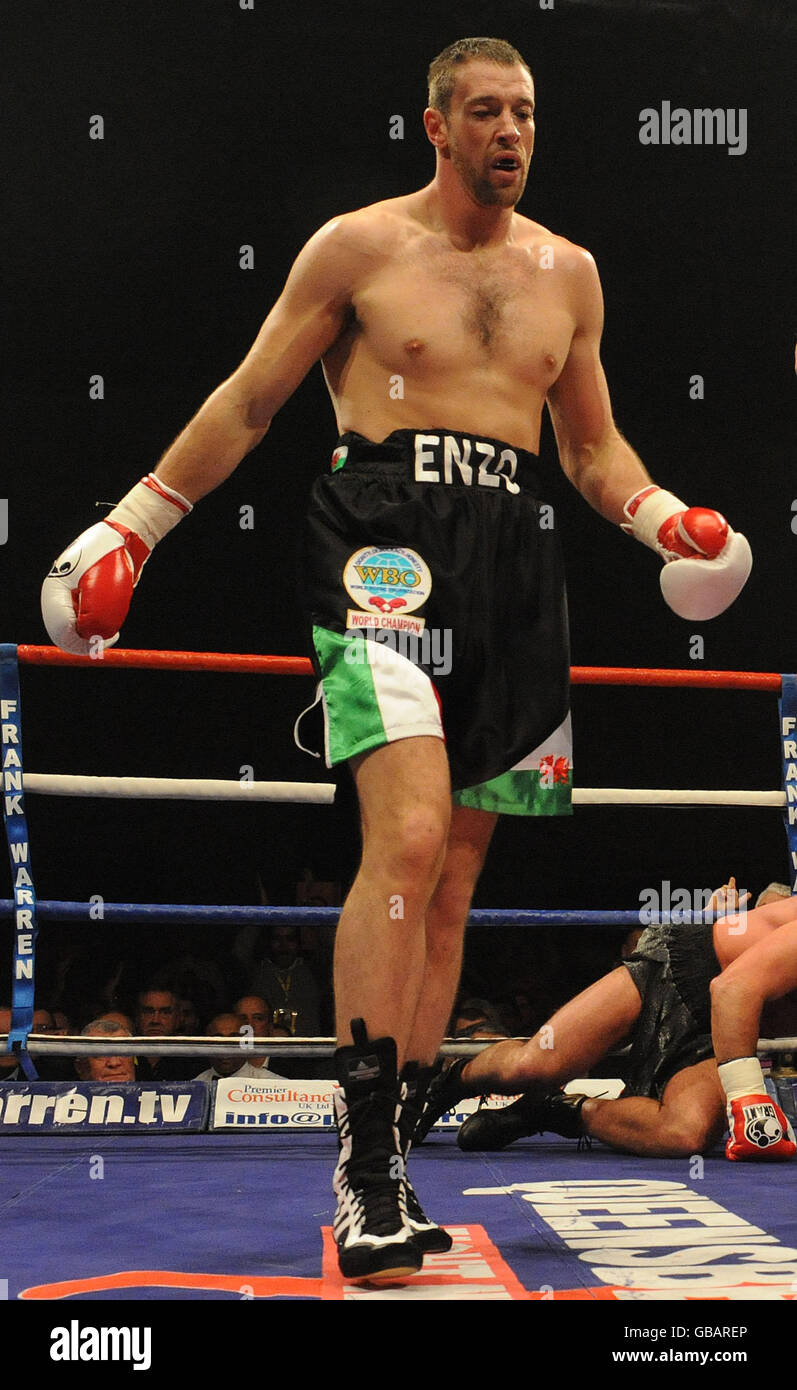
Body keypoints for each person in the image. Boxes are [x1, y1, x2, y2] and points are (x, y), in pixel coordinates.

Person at [40, 37, 752, 1283]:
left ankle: (395, 1150)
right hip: (381, 547)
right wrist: (131, 525)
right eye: (484, 112)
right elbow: (251, 398)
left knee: (458, 875)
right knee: (407, 837)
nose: (509, 133)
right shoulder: (356, 247)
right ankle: (363, 1159)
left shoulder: (568, 275)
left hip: (515, 561)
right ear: (433, 125)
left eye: (524, 113)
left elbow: (590, 453)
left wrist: (664, 520)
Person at [415, 882, 797, 1161]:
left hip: (728, 1026)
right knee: (535, 1064)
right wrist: (749, 1099)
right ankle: (448, 1080)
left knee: (684, 1134)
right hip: (684, 967)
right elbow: (732, 988)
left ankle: (558, 1110)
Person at [193, 1012, 285, 1082]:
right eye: (218, 1040)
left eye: (233, 1040)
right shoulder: (193, 1086)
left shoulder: (273, 1085)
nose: (225, 1049)